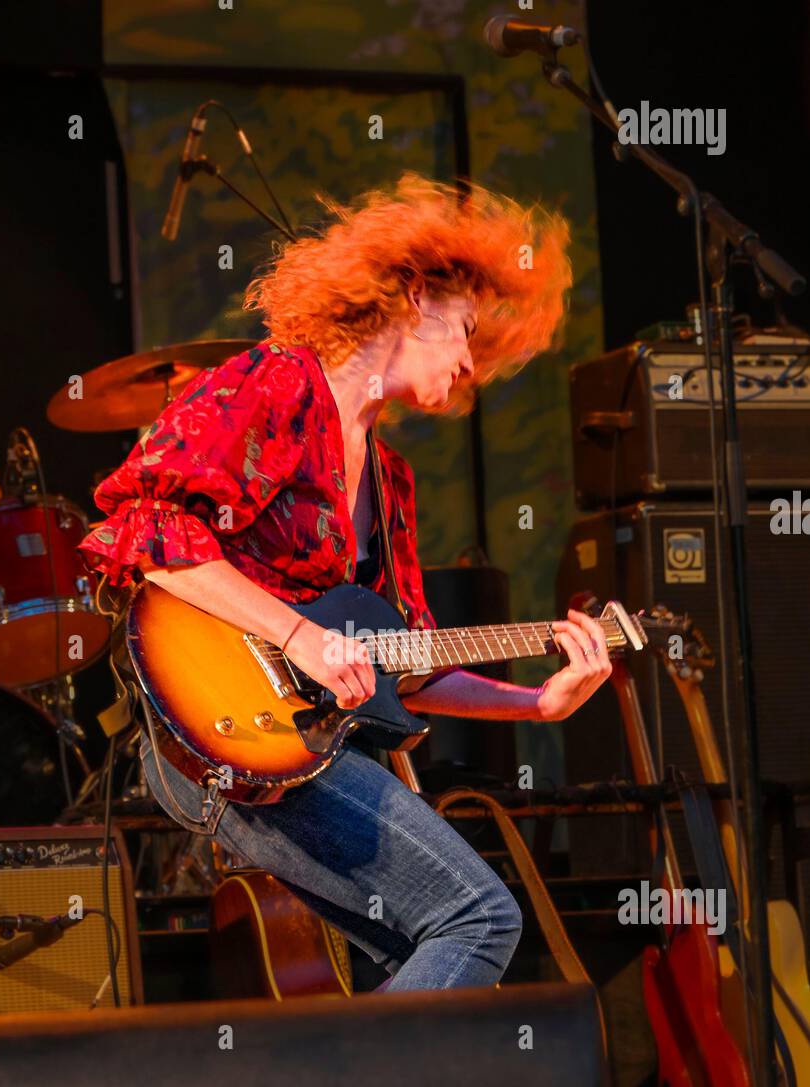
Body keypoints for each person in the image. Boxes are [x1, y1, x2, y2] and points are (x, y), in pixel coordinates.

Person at [79, 174, 612, 993]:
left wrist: (537, 703)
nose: (472, 360)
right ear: (412, 297)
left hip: (295, 742)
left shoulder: (391, 483)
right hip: (218, 727)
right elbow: (142, 526)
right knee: (480, 917)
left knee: (419, 956)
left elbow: (410, 664)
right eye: (464, 330)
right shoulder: (275, 383)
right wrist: (299, 635)